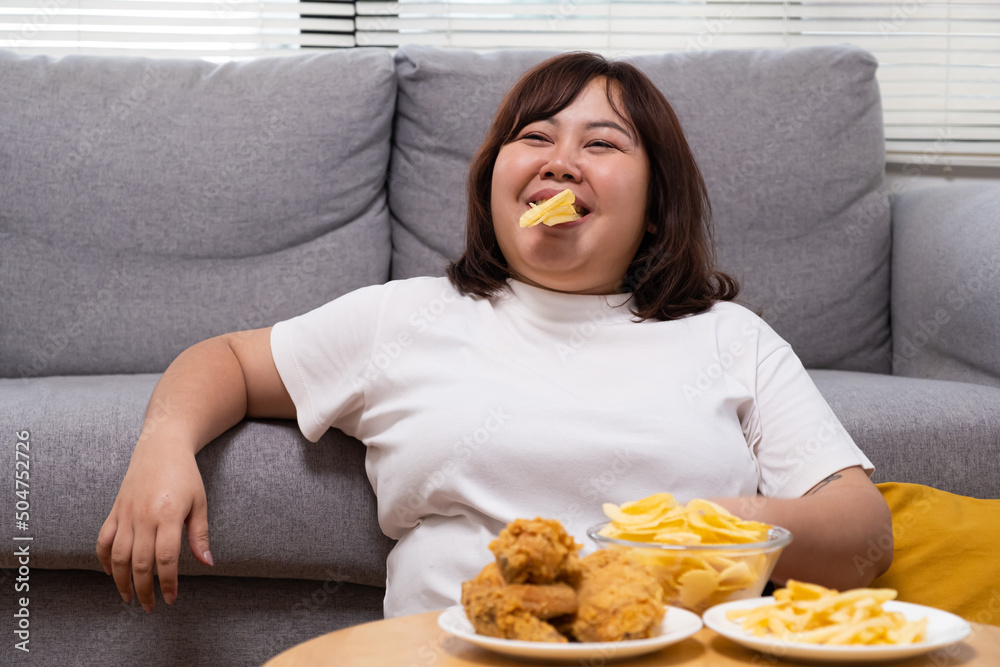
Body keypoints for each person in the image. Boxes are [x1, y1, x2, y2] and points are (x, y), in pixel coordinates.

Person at [97, 51, 892, 618]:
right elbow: (228, 361)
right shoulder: (407, 316)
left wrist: (714, 526)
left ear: (655, 208)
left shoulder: (730, 338)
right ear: (492, 184)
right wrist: (164, 446)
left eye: (601, 143)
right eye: (535, 138)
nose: (561, 162)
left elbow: (862, 533)